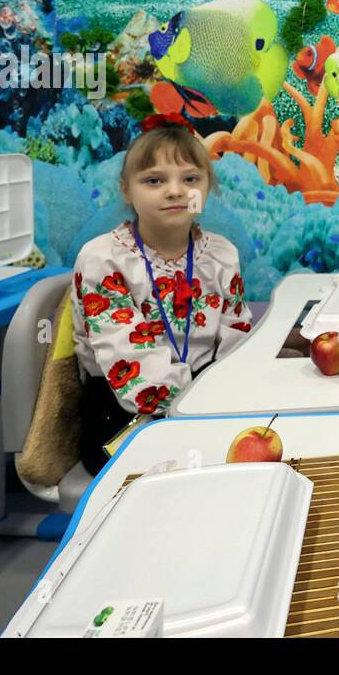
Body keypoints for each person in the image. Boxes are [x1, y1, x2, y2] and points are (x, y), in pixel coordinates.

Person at [72, 115, 252, 473]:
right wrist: (199, 408)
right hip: (125, 410)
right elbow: (129, 362)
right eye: (154, 180)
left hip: (209, 401)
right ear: (127, 190)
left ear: (207, 187)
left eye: (190, 179)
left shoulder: (221, 253)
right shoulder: (102, 259)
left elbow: (237, 341)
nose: (175, 191)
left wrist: (230, 398)